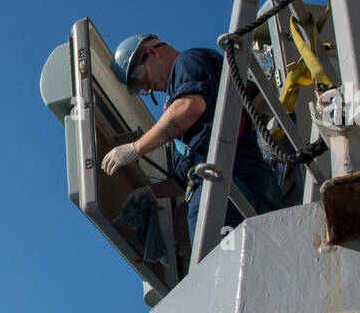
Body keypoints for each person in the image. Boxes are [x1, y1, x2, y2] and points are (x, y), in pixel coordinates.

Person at [100, 34, 283, 245]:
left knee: (219, 267)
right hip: (227, 184)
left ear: (151, 53)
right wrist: (151, 192)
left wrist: (135, 148)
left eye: (140, 78)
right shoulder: (180, 92)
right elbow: (184, 180)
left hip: (233, 181)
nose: (147, 87)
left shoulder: (187, 61)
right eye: (140, 86)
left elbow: (189, 108)